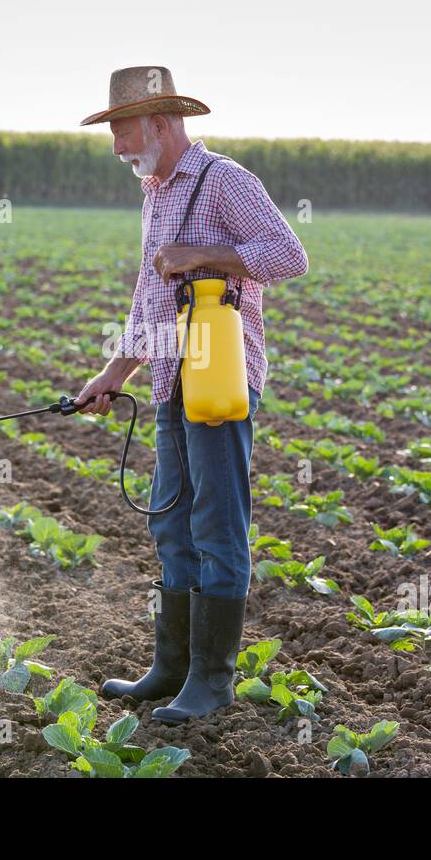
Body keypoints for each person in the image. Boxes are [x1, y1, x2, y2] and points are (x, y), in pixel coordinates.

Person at [75, 66, 309, 723]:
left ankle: (212, 680)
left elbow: (290, 256)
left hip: (221, 373)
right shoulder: (154, 192)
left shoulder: (225, 181)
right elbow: (150, 296)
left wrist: (200, 253)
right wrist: (114, 373)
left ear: (163, 122)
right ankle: (171, 667)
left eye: (123, 131)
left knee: (215, 526)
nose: (119, 147)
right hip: (170, 380)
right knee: (169, 523)